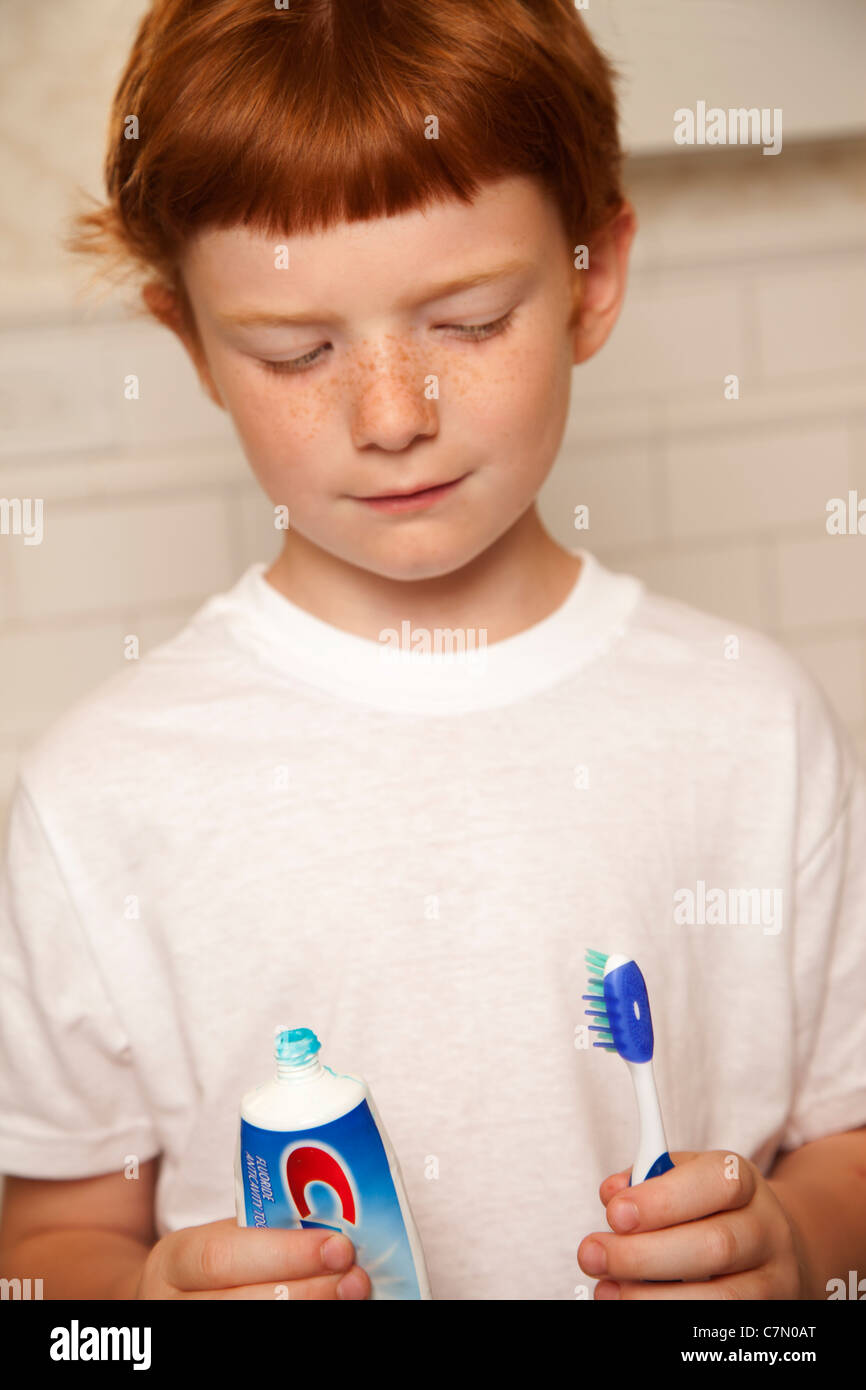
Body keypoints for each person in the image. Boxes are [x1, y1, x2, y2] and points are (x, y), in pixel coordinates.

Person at [1, 0, 864, 1301]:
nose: (391, 417)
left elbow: (845, 1144)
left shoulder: (753, 724)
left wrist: (796, 1253)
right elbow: (52, 1241)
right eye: (295, 351)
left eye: (464, 322)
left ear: (592, 275)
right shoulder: (99, 793)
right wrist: (142, 1311)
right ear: (189, 344)